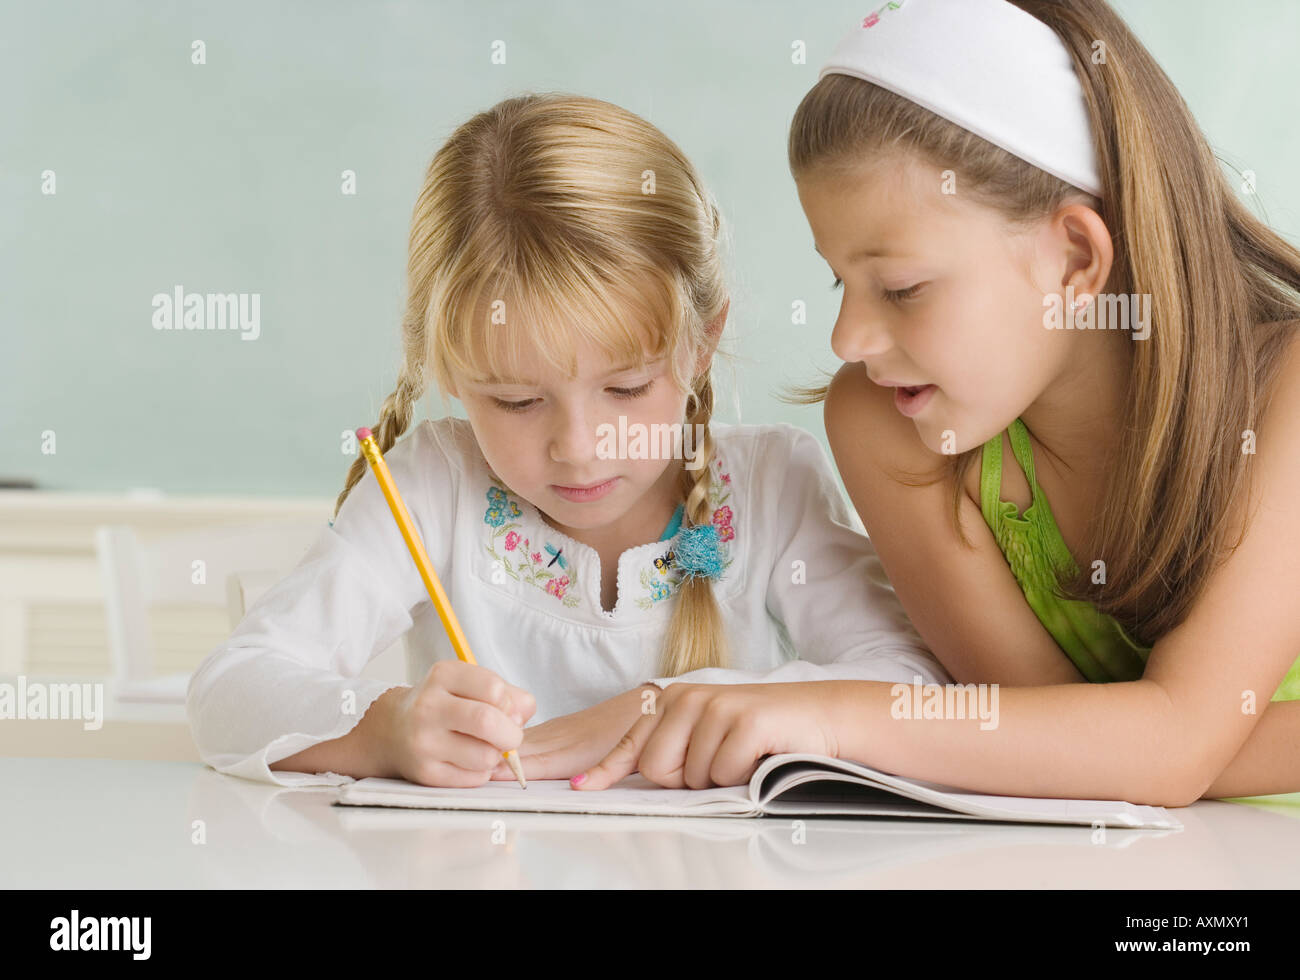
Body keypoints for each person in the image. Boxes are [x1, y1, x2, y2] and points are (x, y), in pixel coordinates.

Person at [575, 0, 1300, 804]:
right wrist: (1158, 743)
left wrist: (828, 713)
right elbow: (1044, 741)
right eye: (838, 281)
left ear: (1075, 257)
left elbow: (1153, 752)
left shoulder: (1287, 393)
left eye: (901, 287)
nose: (847, 338)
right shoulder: (888, 426)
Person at [186, 92, 948, 788]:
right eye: (517, 400)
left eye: (625, 388)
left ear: (702, 341)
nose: (579, 447)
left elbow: (913, 688)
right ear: (448, 369)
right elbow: (230, 690)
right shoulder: (434, 485)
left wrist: (678, 705)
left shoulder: (773, 485)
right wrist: (382, 728)